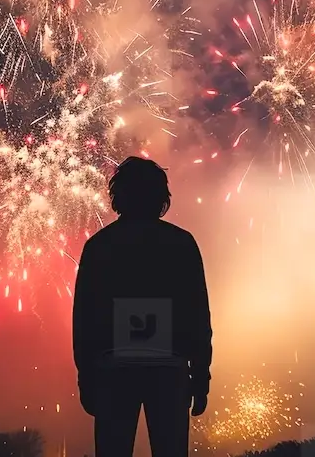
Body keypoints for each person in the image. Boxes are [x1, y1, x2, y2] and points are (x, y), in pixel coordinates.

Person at [72, 156, 213, 457]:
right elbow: (197, 315)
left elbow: (84, 318)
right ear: (161, 197)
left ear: (118, 195)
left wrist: (86, 376)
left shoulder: (99, 246)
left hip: (113, 371)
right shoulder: (181, 243)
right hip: (169, 370)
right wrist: (200, 375)